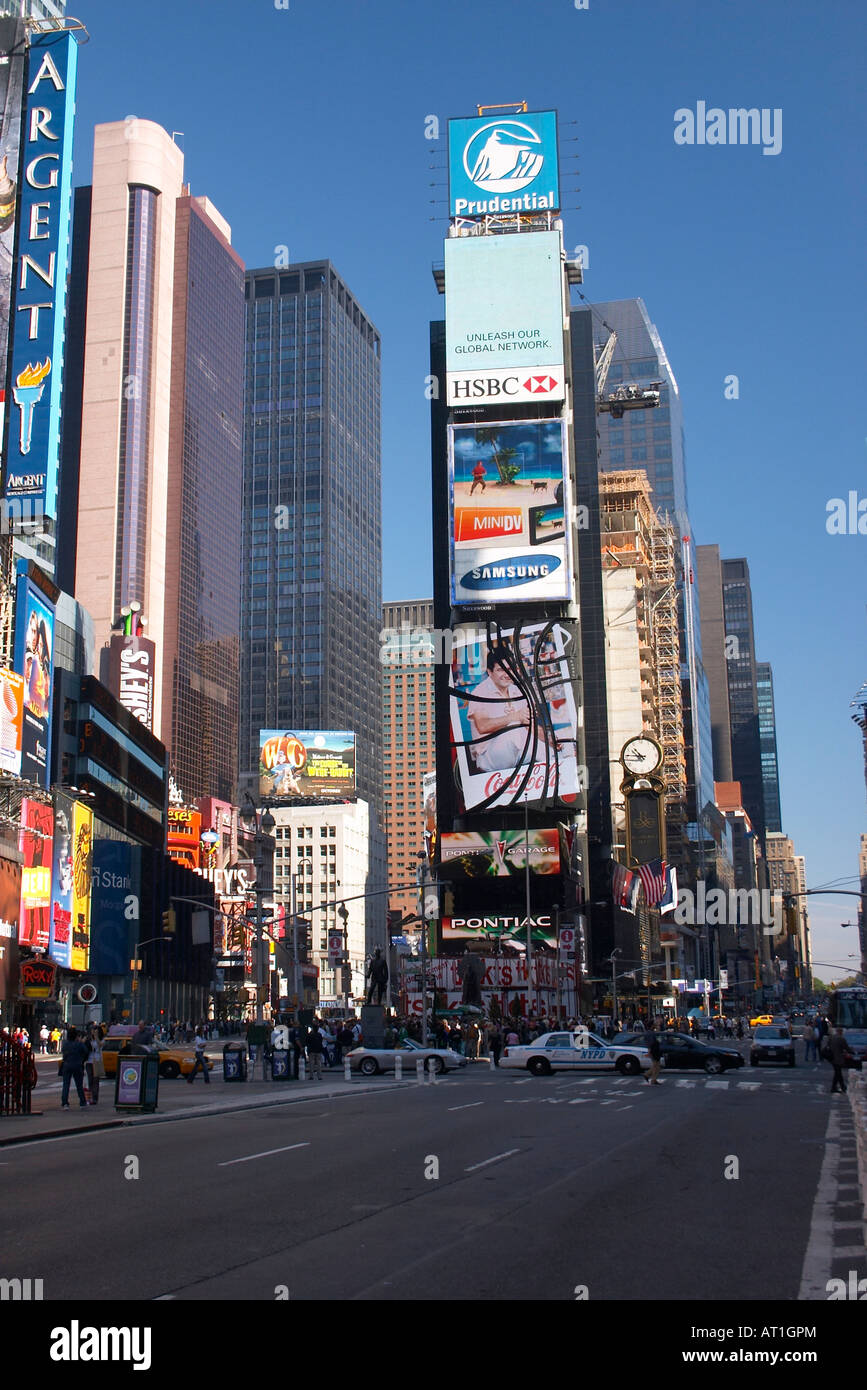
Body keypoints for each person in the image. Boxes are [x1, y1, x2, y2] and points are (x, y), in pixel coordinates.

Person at [60, 1026, 89, 1108]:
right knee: (79, 1085)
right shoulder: (79, 1044)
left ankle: (65, 1102)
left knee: (66, 1084)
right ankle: (82, 1102)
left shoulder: (65, 1044)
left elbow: (63, 1053)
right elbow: (86, 1051)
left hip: (67, 1064)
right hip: (77, 1064)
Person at [84, 1025, 105, 1105]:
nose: (93, 1032)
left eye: (95, 1031)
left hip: (97, 1061)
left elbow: (100, 1045)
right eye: (92, 1030)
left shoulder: (102, 1039)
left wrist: (96, 1036)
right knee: (90, 1080)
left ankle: (95, 1098)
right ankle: (89, 1097)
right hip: (89, 1061)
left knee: (95, 1080)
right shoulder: (89, 1039)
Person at [827, 1028, 851, 1094]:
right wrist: (852, 1052)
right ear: (840, 1032)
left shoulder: (832, 1038)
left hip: (832, 1057)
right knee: (838, 1073)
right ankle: (834, 1088)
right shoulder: (841, 1039)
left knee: (838, 1073)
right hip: (838, 1058)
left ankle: (841, 1087)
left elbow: (828, 1045)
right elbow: (846, 1048)